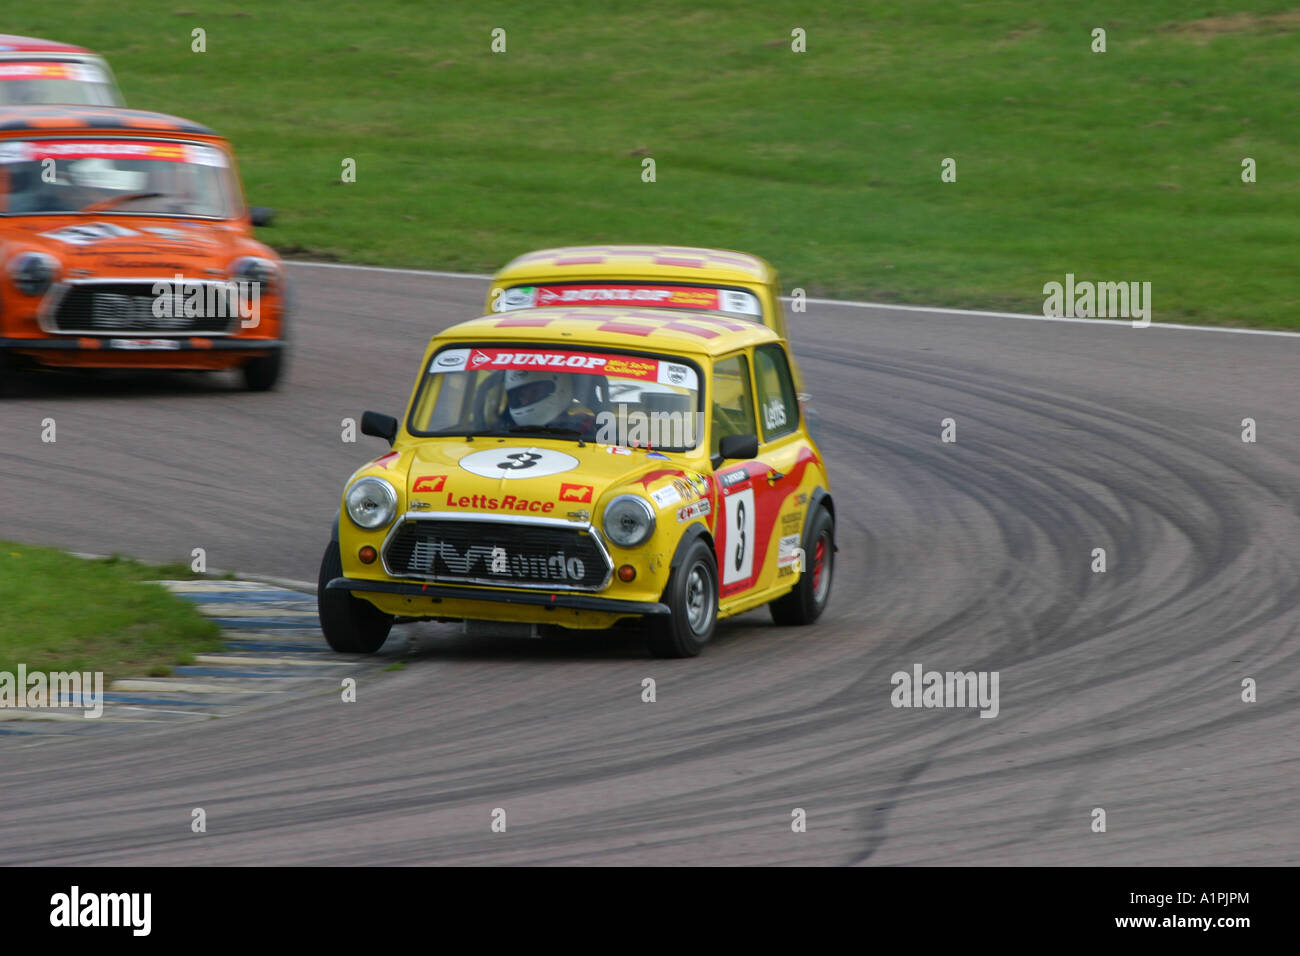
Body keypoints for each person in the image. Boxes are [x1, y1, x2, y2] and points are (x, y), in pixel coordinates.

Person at [498, 369, 597, 436]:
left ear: (561, 388)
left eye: (535, 392)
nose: (526, 400)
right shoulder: (504, 430)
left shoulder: (582, 427)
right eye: (521, 395)